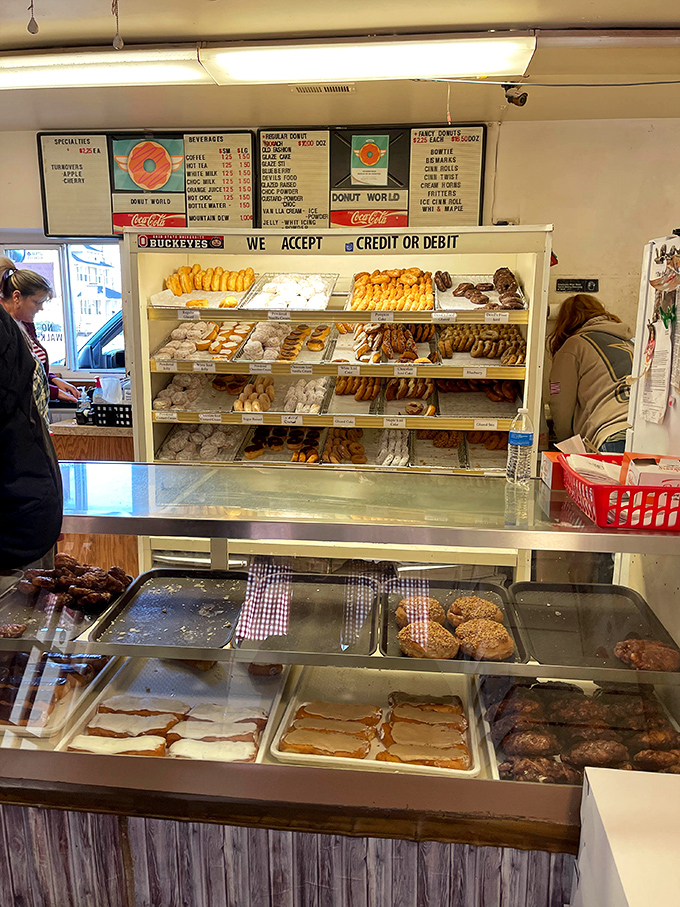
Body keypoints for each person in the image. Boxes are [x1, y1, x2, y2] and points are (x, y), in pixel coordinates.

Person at [0, 302, 63, 569]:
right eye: (37, 302)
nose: (39, 308)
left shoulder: (8, 332)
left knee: (27, 599)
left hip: (18, 519)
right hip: (24, 514)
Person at [548, 294, 634, 453]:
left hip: (611, 432)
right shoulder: (630, 342)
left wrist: (566, 444)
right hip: (647, 432)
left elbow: (559, 398)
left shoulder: (573, 345)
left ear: (566, 321)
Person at [0, 258, 79, 415]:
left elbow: (31, 364)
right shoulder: (4, 329)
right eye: (37, 302)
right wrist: (54, 392)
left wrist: (52, 379)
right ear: (17, 297)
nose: (41, 308)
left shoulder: (25, 324)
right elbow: (14, 382)